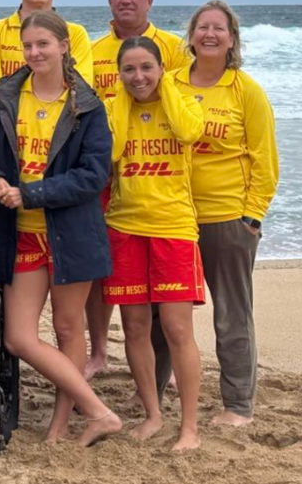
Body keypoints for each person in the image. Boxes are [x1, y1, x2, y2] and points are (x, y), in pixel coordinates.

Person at [0, 10, 121, 446]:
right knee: (18, 338)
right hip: (20, 234)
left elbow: (93, 176)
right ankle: (99, 411)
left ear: (64, 46)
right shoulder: (1, 97)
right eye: (28, 46)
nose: (35, 53)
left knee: (70, 330)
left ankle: (60, 426)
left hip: (70, 234)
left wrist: (30, 194)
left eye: (43, 45)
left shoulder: (86, 105)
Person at [158, 0, 279, 427]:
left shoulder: (245, 90)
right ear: (190, 36)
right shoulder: (167, 82)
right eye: (202, 27)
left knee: (231, 314)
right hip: (171, 216)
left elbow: (265, 160)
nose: (210, 34)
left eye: (219, 29)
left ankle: (237, 405)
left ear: (232, 40)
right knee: (163, 317)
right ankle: (153, 400)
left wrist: (252, 217)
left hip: (227, 219)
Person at [103, 36, 205, 452]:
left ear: (162, 69)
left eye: (147, 67)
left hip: (173, 226)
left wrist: (166, 91)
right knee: (134, 327)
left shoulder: (183, 102)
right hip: (125, 226)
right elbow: (112, 150)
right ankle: (152, 414)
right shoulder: (115, 107)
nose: (138, 76)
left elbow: (188, 130)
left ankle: (190, 427)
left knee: (178, 329)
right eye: (129, 69)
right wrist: (123, 98)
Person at [85, 0, 188, 379]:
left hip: (156, 174)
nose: (125, 0)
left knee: (161, 292)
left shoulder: (174, 49)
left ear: (149, 0)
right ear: (109, 1)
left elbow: (185, 103)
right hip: (105, 166)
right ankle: (98, 353)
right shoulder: (94, 51)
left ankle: (158, 372)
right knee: (101, 272)